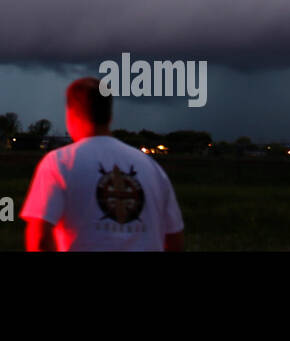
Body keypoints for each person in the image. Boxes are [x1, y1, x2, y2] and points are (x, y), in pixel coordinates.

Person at [21, 77, 184, 251]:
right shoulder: (151, 167)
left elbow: (40, 238)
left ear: (71, 113)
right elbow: (174, 238)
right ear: (110, 116)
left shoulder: (59, 162)